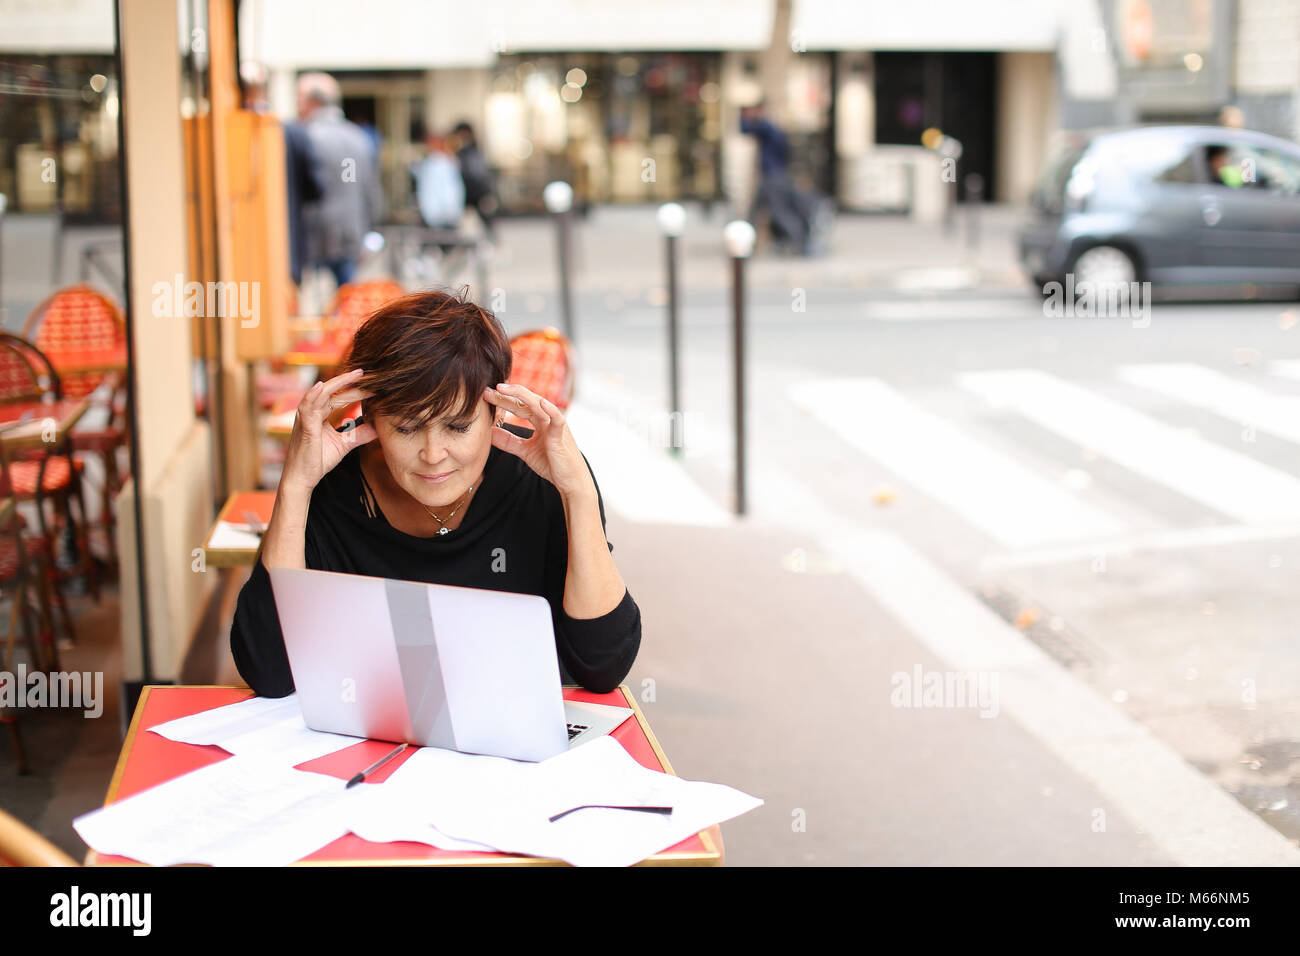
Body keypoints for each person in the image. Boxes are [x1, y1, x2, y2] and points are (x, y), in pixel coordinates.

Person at [229, 289, 641, 698]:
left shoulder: (542, 477)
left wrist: (578, 493)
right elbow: (270, 671)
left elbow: (602, 665)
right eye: (406, 429)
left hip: (514, 742)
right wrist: (296, 484)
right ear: (370, 417)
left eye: (458, 427)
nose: (433, 455)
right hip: (370, 732)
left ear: (496, 411)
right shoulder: (333, 486)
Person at [297, 72, 384, 287]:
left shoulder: (306, 136)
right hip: (351, 232)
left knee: (311, 309)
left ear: (312, 102)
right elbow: (369, 188)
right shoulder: (358, 137)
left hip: (313, 234)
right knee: (347, 303)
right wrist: (371, 228)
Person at [740, 101, 810, 254]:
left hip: (773, 177)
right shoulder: (773, 127)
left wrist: (745, 116)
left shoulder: (768, 127)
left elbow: (744, 129)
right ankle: (743, 242)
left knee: (779, 212)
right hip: (771, 176)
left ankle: (801, 241)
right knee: (754, 211)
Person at [451, 121, 499, 237]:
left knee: (483, 228)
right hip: (464, 199)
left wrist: (487, 195)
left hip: (477, 196)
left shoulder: (473, 154)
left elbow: (480, 177)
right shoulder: (457, 155)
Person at [412, 130, 466, 230]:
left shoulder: (443, 164)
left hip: (442, 214)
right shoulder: (430, 163)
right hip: (438, 215)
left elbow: (450, 191)